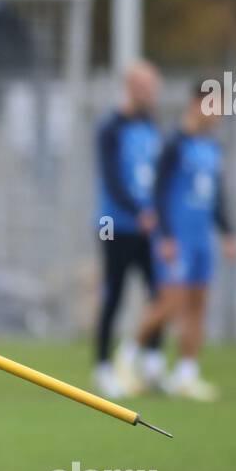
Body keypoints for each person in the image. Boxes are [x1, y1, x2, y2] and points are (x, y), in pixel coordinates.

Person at [131, 79, 236, 401]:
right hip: (176, 238)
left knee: (198, 306)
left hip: (201, 239)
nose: (219, 112)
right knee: (170, 304)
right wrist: (164, 235)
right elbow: (158, 192)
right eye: (214, 105)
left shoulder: (212, 147)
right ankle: (126, 358)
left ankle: (187, 375)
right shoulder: (174, 145)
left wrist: (228, 232)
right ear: (197, 104)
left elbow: (217, 195)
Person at [93, 59, 165, 399]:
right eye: (146, 86)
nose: (152, 93)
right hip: (115, 225)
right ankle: (104, 367)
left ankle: (152, 364)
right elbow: (112, 178)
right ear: (131, 88)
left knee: (161, 294)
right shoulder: (111, 128)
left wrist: (157, 213)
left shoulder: (151, 127)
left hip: (150, 226)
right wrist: (139, 211)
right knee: (114, 294)